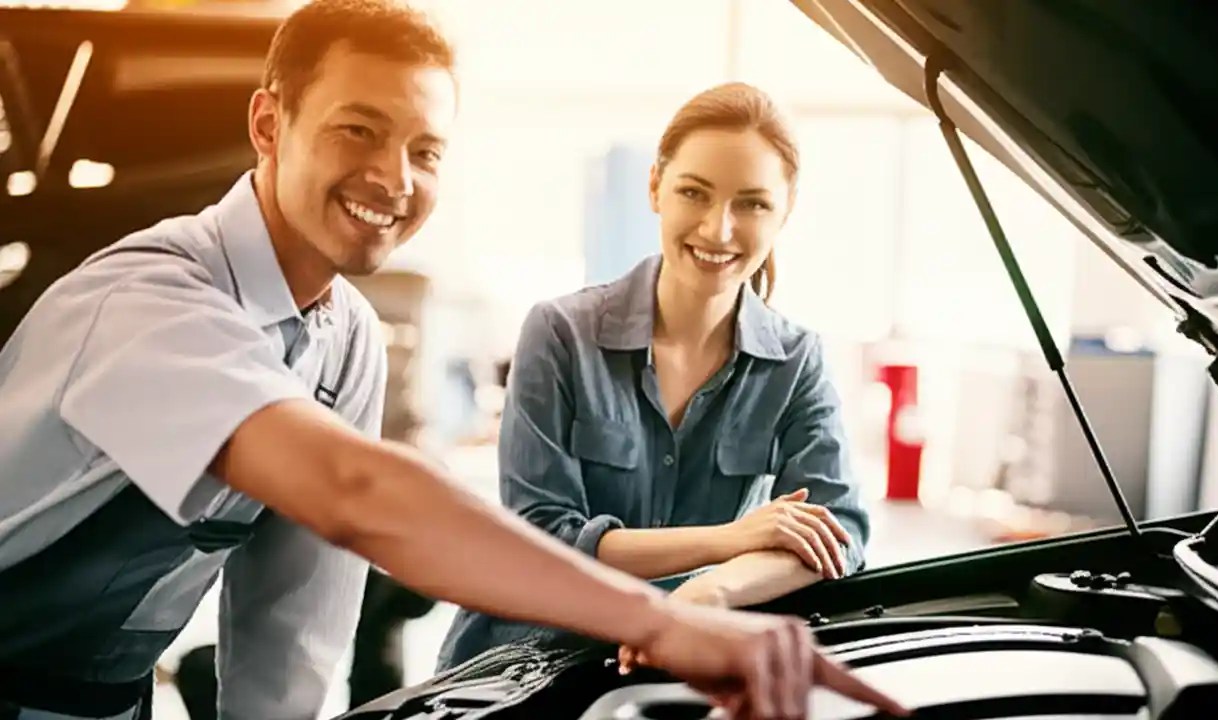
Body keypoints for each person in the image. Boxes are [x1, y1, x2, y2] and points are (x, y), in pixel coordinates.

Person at [0, 1, 909, 719]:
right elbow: (356, 495)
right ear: (270, 123)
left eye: (425, 149)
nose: (395, 178)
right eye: (359, 130)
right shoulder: (151, 301)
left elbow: (293, 621)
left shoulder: (344, 335)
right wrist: (668, 618)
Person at [438, 82, 871, 675]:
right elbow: (541, 537)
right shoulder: (561, 334)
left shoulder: (797, 363)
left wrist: (708, 593)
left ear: (785, 212)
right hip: (525, 666)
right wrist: (730, 540)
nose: (718, 229)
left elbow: (839, 533)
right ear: (655, 188)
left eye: (752, 204)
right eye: (694, 193)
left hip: (678, 665)